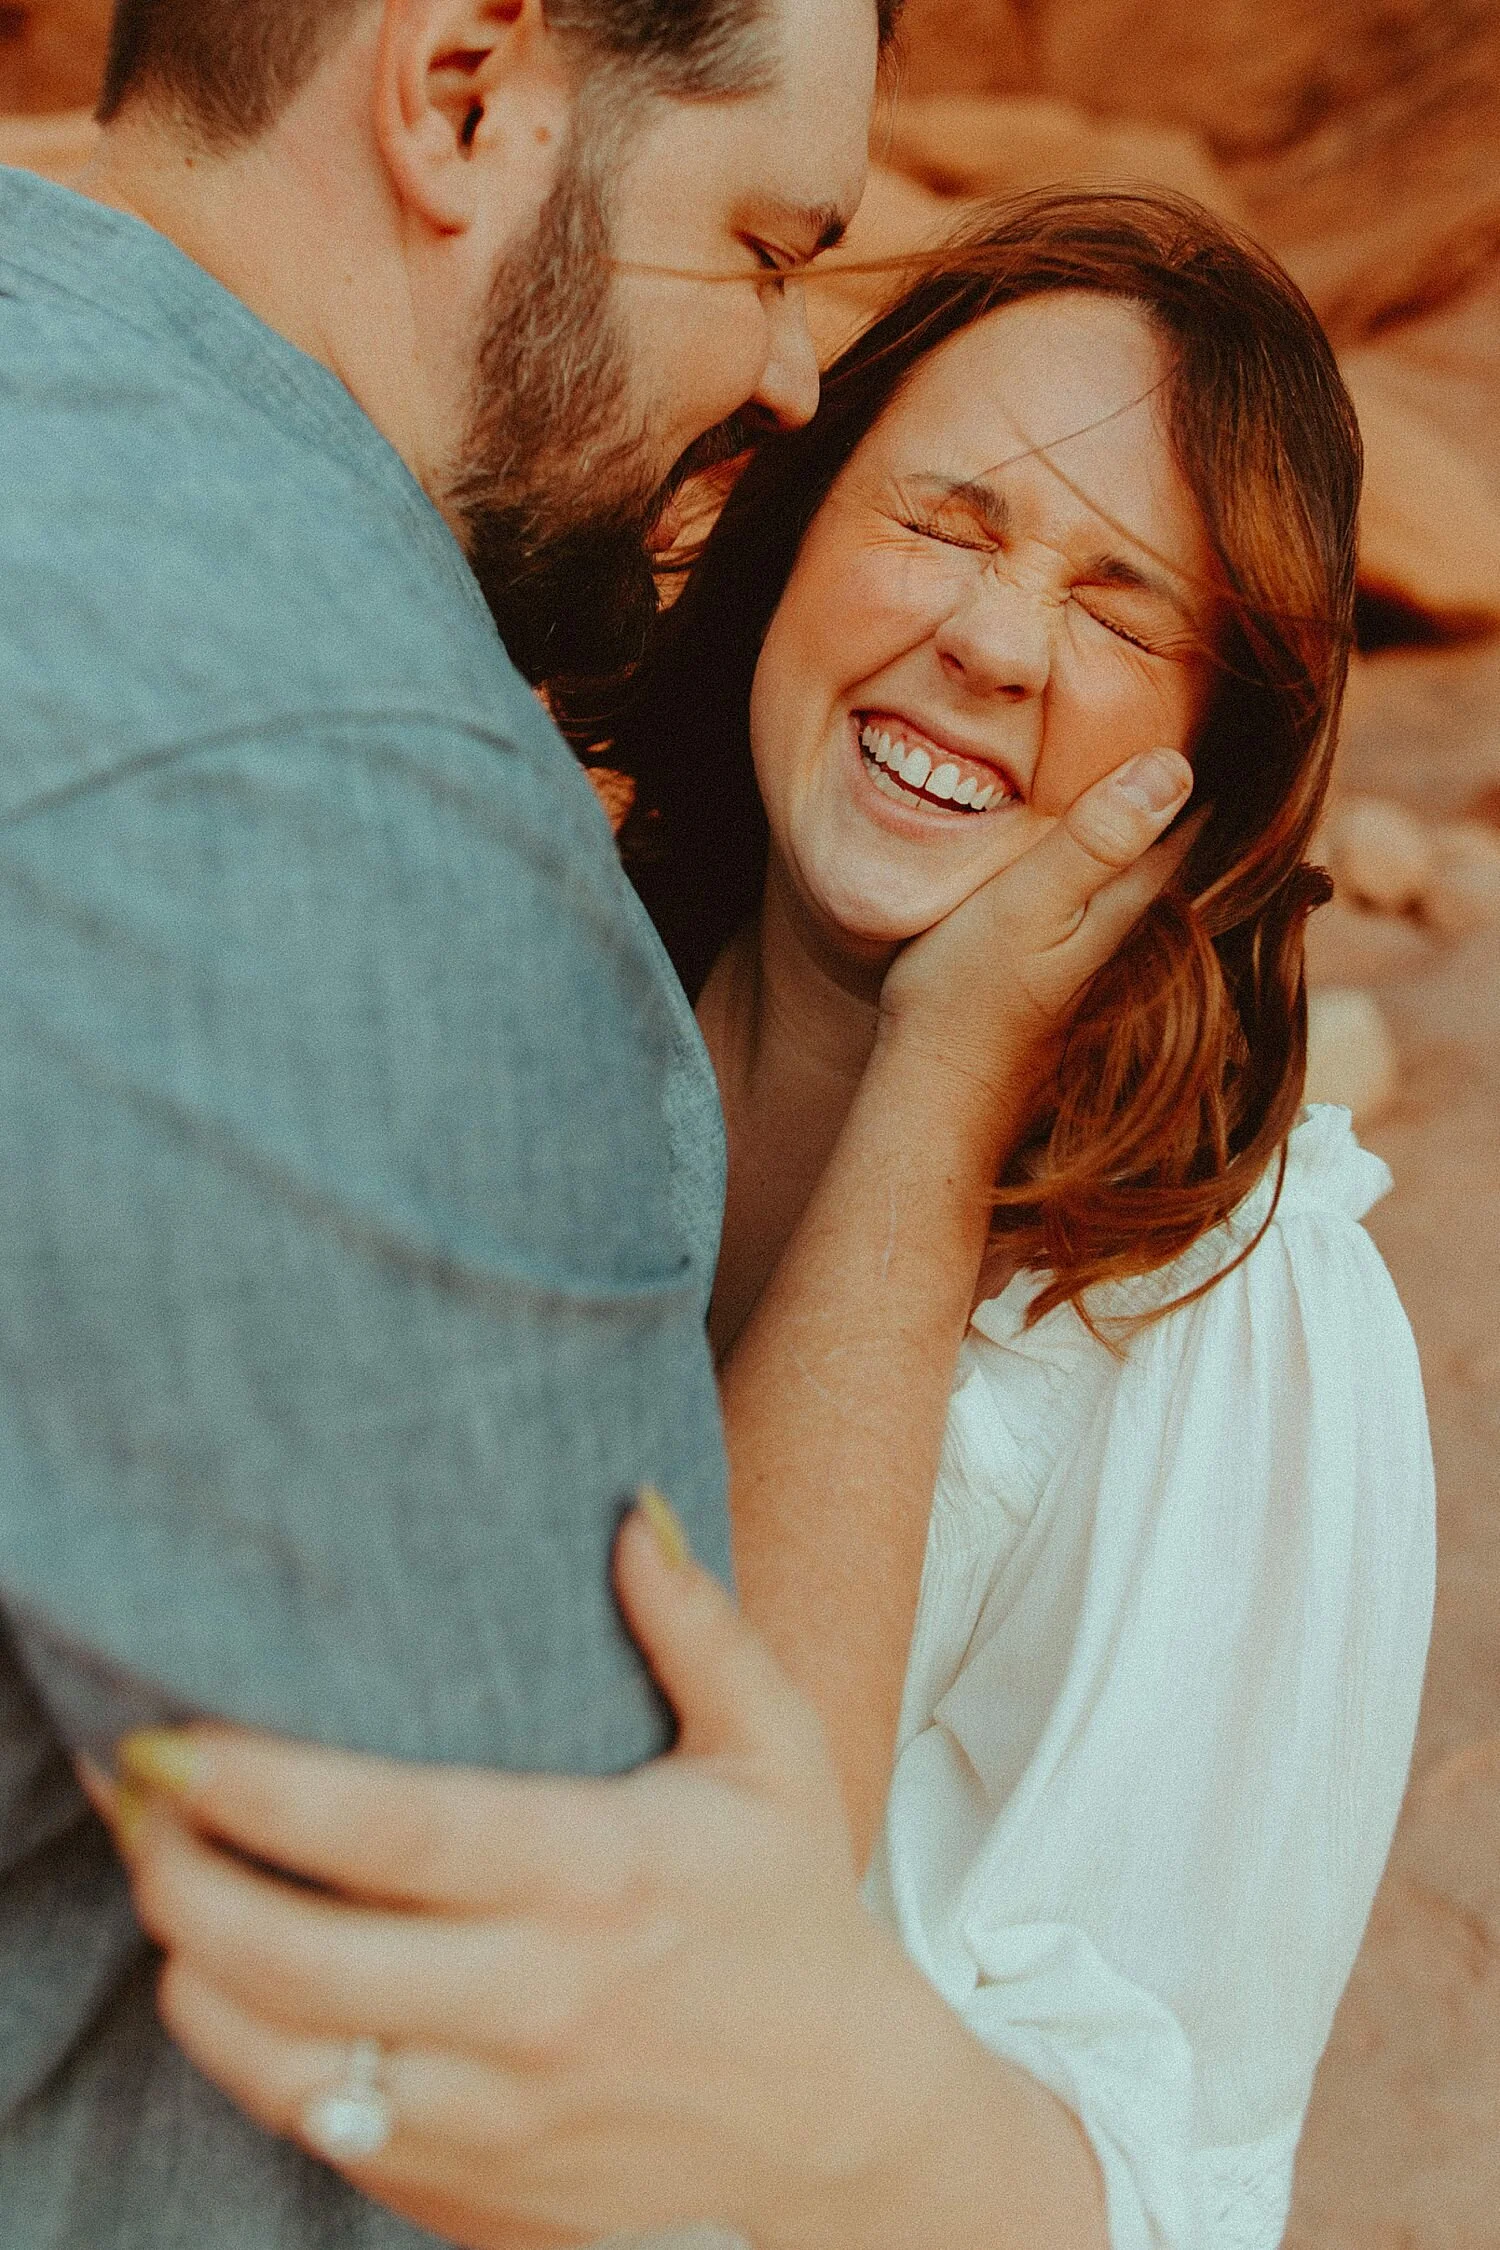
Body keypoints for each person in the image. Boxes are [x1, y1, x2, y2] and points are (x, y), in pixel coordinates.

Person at [105, 194, 1436, 2250]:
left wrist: (946, 1065)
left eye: (1122, 604)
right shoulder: (481, 995)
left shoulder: (1239, 1326)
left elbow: (1173, 2197)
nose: (996, 641)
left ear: (1216, 750)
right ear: (793, 530)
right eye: (948, 521)